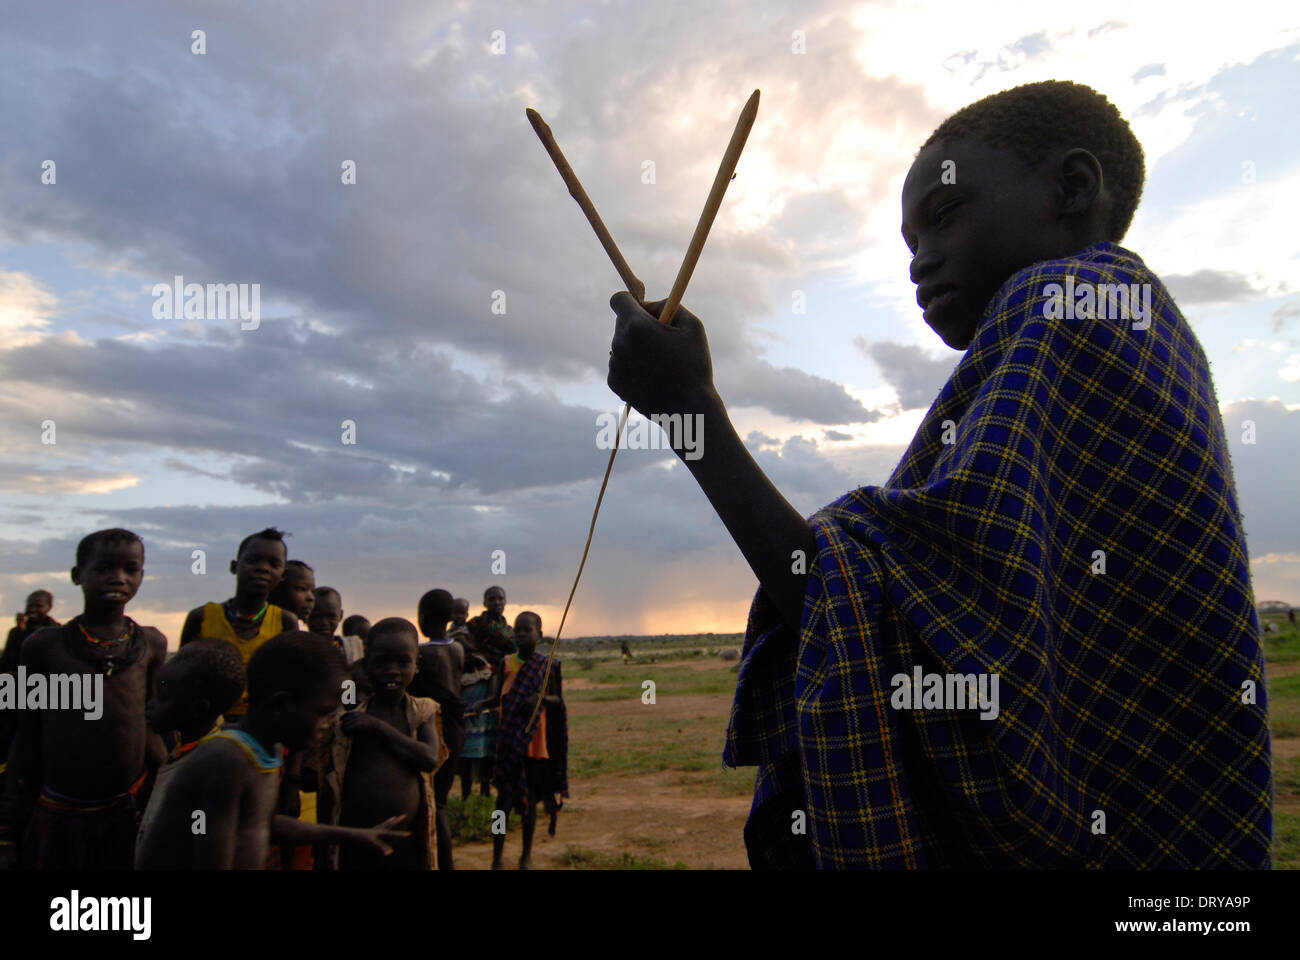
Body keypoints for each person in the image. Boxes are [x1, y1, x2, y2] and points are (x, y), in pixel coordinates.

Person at [605, 80, 1271, 868]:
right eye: (906, 243)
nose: (922, 261)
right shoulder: (1144, 328)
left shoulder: (1064, 311)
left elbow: (901, 633)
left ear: (1073, 187)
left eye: (944, 217)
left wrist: (693, 415)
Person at [136, 631, 406, 869]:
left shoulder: (266, 750)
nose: (330, 724)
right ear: (282, 705)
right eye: (323, 713)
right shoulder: (226, 761)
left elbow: (263, 822)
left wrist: (354, 835)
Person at [0, 529, 167, 870]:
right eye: (104, 568)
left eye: (129, 569)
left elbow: (152, 724)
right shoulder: (44, 646)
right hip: (59, 808)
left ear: (141, 576)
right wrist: (8, 825)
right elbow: (25, 732)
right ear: (77, 575)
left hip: (127, 807)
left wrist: (163, 788)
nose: (118, 578)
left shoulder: (152, 643)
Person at [315, 618, 447, 870]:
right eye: (381, 662)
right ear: (366, 666)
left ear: (416, 665)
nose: (392, 670)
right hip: (354, 841)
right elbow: (328, 789)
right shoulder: (348, 721)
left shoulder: (422, 712)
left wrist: (378, 728)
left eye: (402, 662)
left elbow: (429, 759)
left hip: (407, 842)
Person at [178, 528, 300, 720]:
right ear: (234, 566)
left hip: (261, 725)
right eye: (253, 560)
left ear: (282, 574)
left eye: (273, 564)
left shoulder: (285, 622)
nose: (263, 568)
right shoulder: (201, 617)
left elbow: (289, 680)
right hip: (205, 724)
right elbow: (180, 676)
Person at [491, 611, 567, 870]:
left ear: (540, 635)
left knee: (530, 799)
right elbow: (496, 697)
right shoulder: (506, 663)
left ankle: (526, 856)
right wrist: (479, 705)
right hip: (508, 738)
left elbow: (558, 701)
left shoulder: (548, 667)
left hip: (534, 741)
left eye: (527, 629)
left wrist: (541, 699)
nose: (521, 634)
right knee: (502, 802)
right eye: (517, 629)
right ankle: (497, 856)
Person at [411, 589, 465, 869]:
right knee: (440, 798)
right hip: (456, 727)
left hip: (437, 728)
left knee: (437, 803)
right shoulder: (457, 648)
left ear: (423, 618)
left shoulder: (423, 654)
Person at [0, 591, 60, 770]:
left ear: (48, 608)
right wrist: (20, 631)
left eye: (38, 606)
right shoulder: (16, 631)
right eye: (30, 605)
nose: (32, 609)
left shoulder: (55, 632)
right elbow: (7, 664)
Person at [309, 587, 361, 665]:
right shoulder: (298, 649)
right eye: (316, 616)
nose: (324, 623)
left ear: (341, 615)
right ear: (307, 615)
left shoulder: (352, 649)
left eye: (331, 616)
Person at [466, 586, 514, 663]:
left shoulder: (510, 630)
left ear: (505, 602)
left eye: (500, 599)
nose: (497, 602)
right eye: (491, 599)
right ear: (485, 603)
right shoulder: (476, 623)